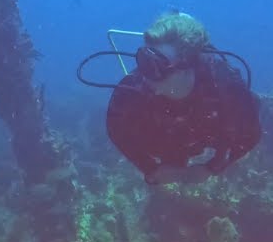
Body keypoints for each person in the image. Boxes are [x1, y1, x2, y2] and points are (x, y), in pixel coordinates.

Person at [105, 12, 261, 185]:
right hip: (164, 139)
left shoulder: (226, 86)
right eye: (144, 60)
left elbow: (250, 136)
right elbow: (116, 129)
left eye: (157, 65)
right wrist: (149, 167)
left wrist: (213, 167)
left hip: (206, 134)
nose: (146, 74)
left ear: (187, 67)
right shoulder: (132, 88)